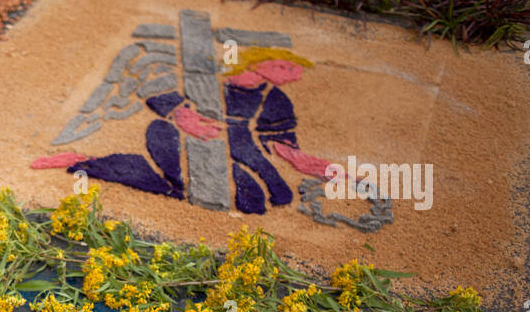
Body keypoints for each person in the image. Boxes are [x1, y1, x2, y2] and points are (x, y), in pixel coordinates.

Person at [46, 48, 333, 214]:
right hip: (175, 134)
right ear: (254, 64)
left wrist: (306, 162)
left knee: (273, 197)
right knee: (181, 178)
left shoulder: (274, 96)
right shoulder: (206, 81)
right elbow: (155, 91)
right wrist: (182, 114)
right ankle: (83, 163)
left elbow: (278, 139)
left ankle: (93, 163)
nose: (293, 74)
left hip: (241, 144)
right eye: (284, 66)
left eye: (295, 70)